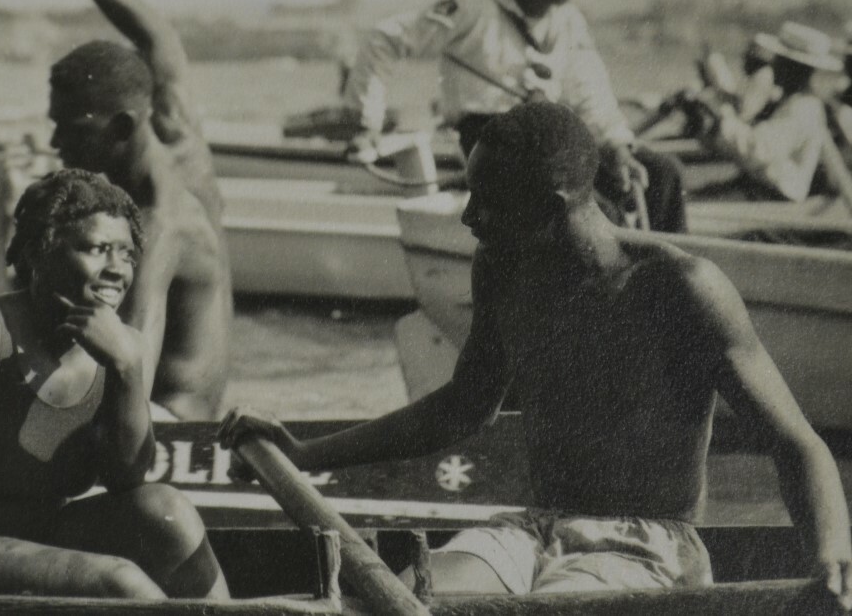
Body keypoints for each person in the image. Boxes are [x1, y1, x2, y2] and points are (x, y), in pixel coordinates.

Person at [221, 102, 851, 606]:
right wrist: (306, 456)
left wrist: (831, 561)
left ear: (551, 210)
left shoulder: (682, 289)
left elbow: (797, 443)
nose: (468, 218)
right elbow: (462, 408)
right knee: (415, 598)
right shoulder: (502, 267)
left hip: (648, 547)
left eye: (486, 201)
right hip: (529, 528)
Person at [0, 169, 226, 599]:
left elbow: (125, 479)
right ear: (41, 251)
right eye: (98, 250)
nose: (118, 270)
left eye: (128, 255)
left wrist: (128, 372)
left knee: (169, 512)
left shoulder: (123, 349)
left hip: (41, 540)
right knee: (122, 583)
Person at [0, 0, 231, 419]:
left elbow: (130, 370)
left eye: (72, 129)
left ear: (121, 129)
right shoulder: (176, 135)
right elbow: (158, 35)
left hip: (168, 421)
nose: (56, 143)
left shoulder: (159, 222)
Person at [343, 0, 687, 232]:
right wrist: (366, 123)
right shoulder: (473, 10)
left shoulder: (569, 21)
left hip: (552, 138)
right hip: (491, 144)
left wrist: (617, 147)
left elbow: (591, 94)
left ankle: (668, 286)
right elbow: (383, 40)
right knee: (593, 211)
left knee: (663, 176)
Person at [685, 22, 845, 203]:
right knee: (688, 197)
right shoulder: (788, 101)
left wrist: (720, 119)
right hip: (759, 187)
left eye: (779, 61)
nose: (773, 66)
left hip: (775, 196)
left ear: (794, 68)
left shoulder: (803, 108)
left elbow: (758, 149)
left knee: (687, 205)